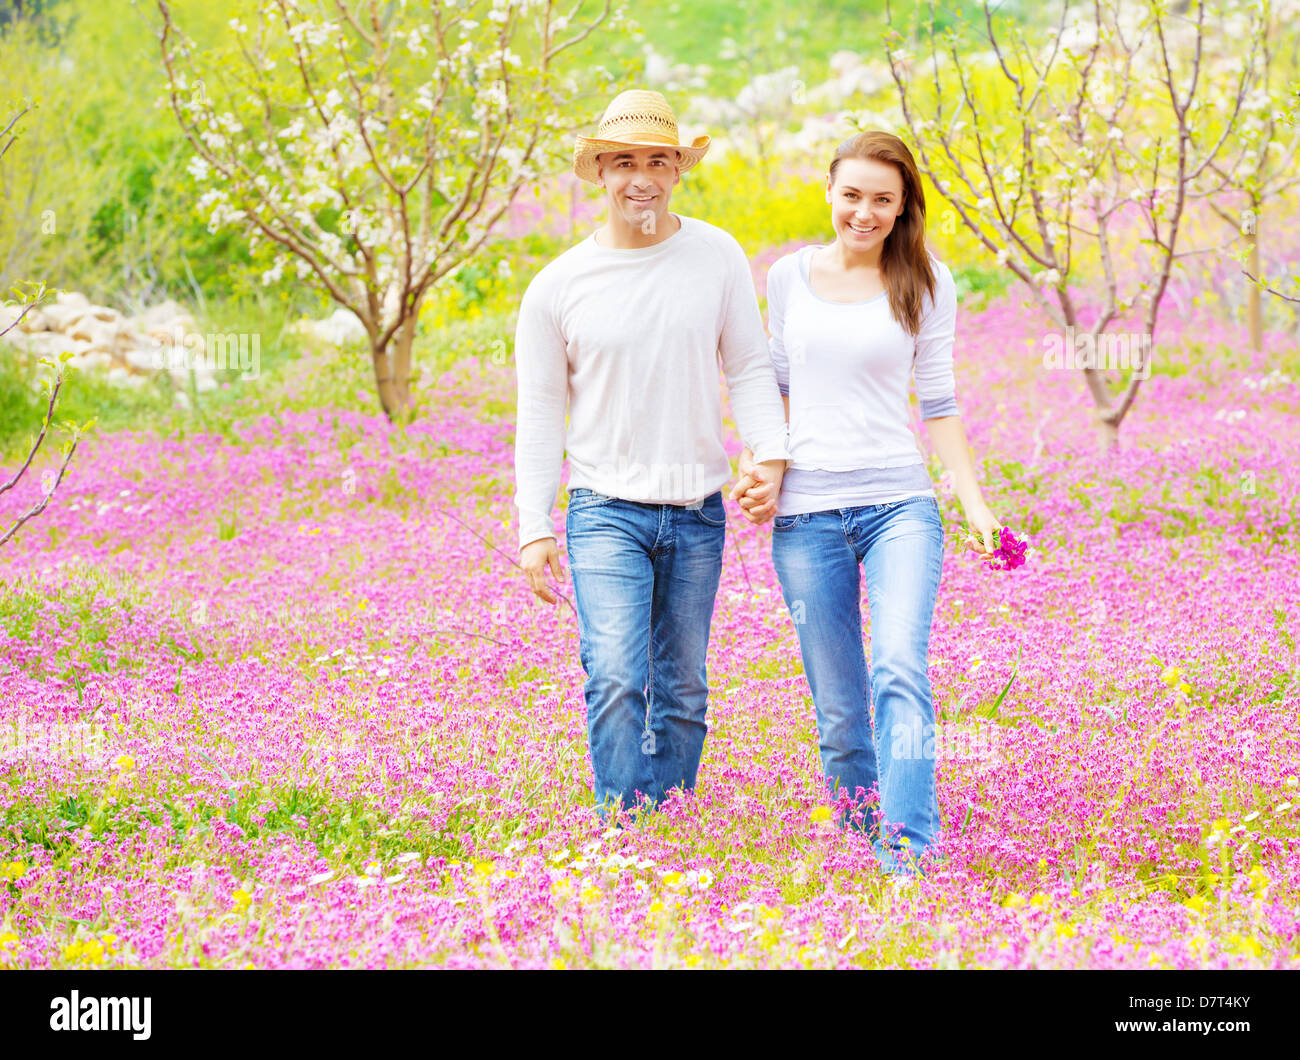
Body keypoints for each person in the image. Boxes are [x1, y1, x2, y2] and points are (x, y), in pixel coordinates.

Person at [513, 89, 791, 823]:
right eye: (625, 161)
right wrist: (533, 524)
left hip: (698, 510)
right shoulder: (558, 286)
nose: (642, 177)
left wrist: (771, 454)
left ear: (678, 170)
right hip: (604, 510)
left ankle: (666, 820)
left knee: (683, 687)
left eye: (658, 161)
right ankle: (621, 822)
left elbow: (751, 369)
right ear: (600, 171)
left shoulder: (716, 255)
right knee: (613, 675)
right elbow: (540, 411)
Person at [731, 131, 1002, 879]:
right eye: (853, 194)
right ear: (829, 191)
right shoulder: (787, 278)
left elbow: (940, 402)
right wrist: (761, 468)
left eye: (884, 199)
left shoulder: (927, 281)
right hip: (806, 514)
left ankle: (911, 853)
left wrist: (973, 504)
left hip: (899, 507)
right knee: (840, 703)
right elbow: (772, 391)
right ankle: (859, 842)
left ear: (903, 205)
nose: (865, 212)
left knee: (899, 667)